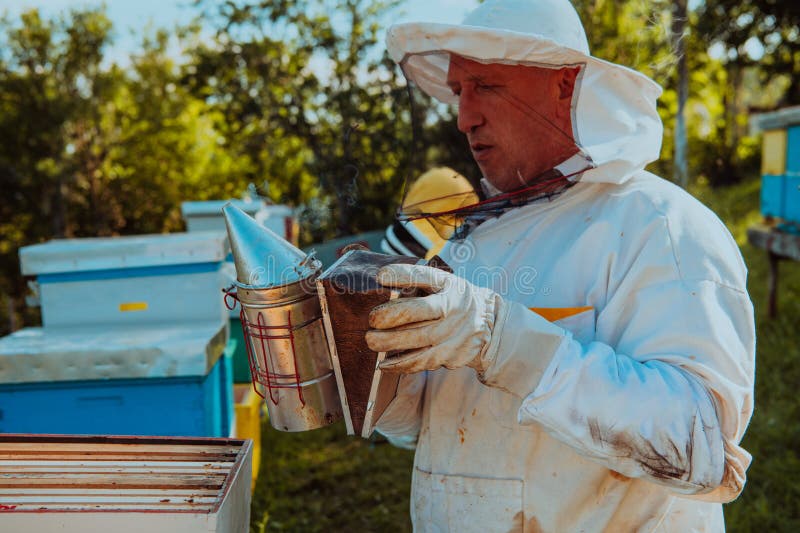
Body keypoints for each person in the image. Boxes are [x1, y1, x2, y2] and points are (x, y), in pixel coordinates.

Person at [364, 0, 756, 531]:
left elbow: (698, 449)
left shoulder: (662, 225)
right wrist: (372, 366)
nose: (464, 117)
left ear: (564, 84)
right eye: (458, 92)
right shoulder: (471, 240)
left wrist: (506, 342)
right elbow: (430, 425)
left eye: (486, 86)